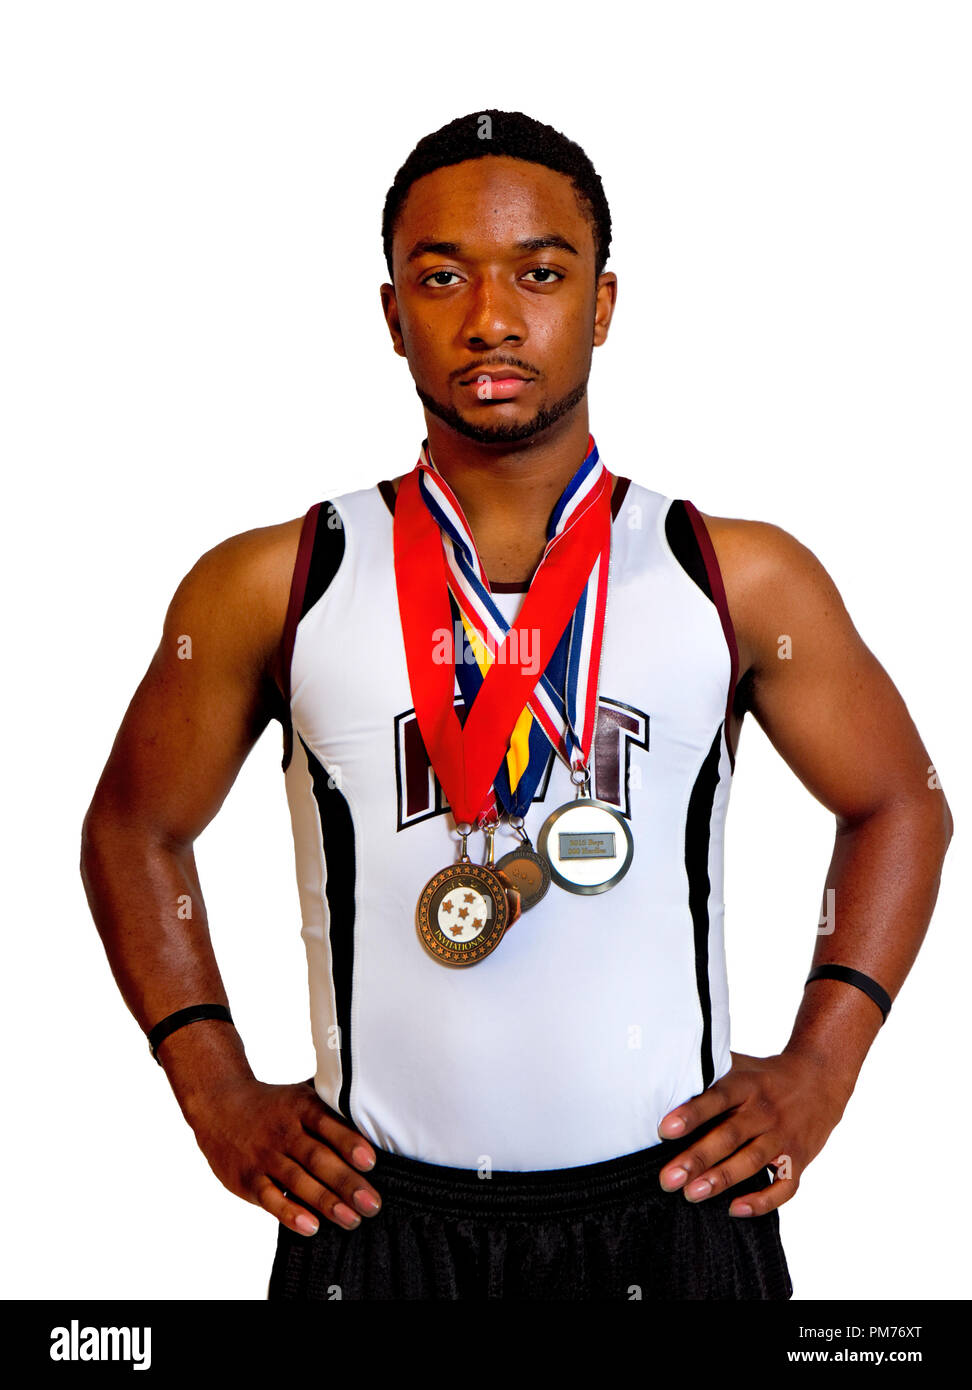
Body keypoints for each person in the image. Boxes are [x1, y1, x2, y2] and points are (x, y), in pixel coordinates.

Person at [79, 109, 953, 1302]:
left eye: (540, 274)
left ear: (600, 303)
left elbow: (902, 801)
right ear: (392, 315)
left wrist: (824, 1064)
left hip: (674, 1211)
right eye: (442, 278)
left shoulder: (734, 572)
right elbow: (134, 828)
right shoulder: (271, 581)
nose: (492, 318)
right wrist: (212, 1085)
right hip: (381, 1222)